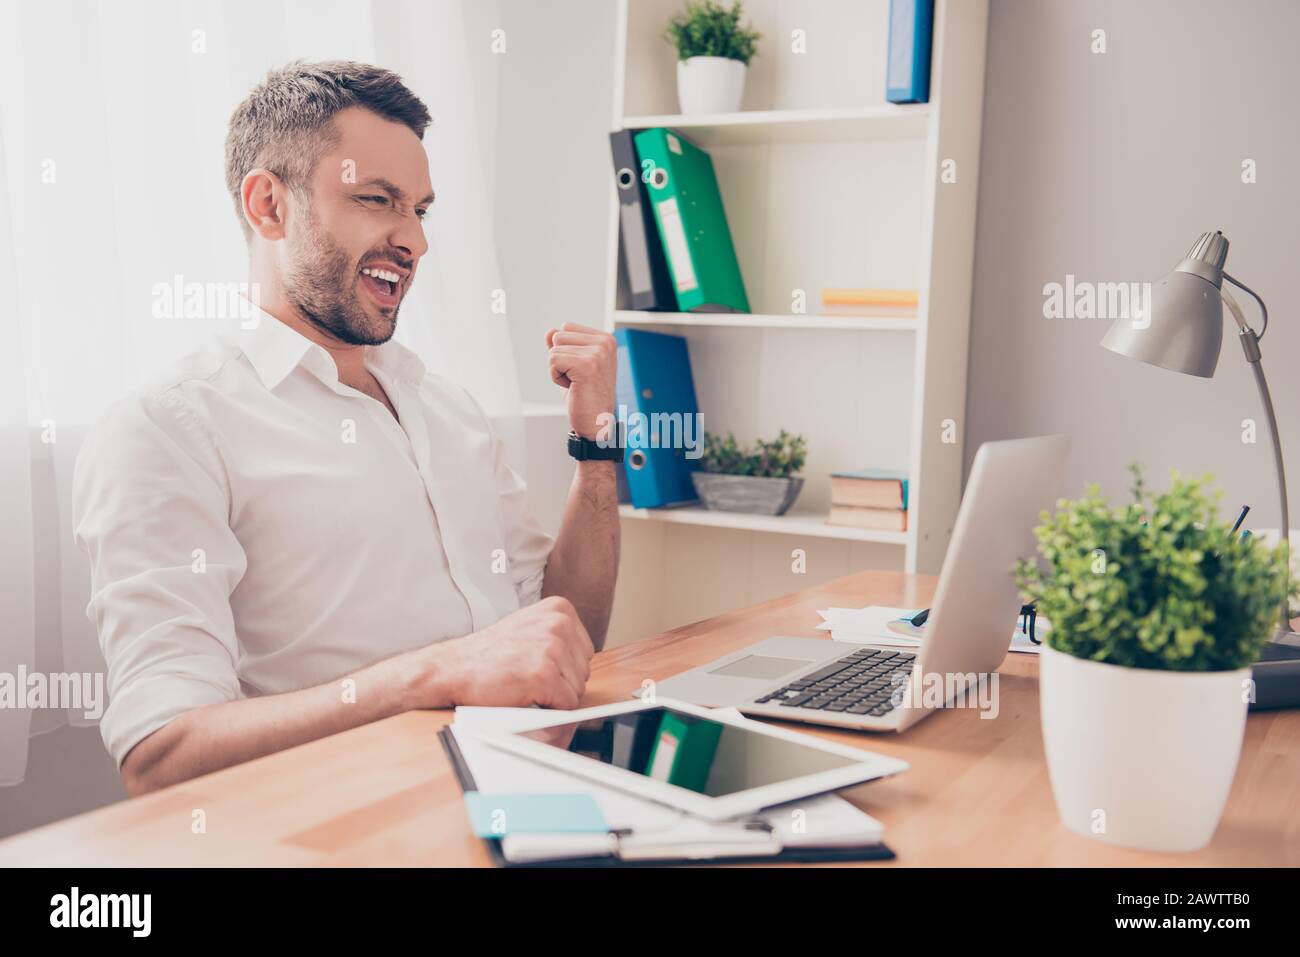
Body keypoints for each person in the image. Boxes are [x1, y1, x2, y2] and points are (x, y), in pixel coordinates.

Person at [72, 60, 620, 796]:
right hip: (348, 821)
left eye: (420, 211)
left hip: (526, 786)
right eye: (376, 199)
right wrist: (434, 672)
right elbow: (162, 755)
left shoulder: (448, 408)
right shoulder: (167, 428)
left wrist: (596, 449)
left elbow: (564, 637)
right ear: (269, 205)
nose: (414, 240)